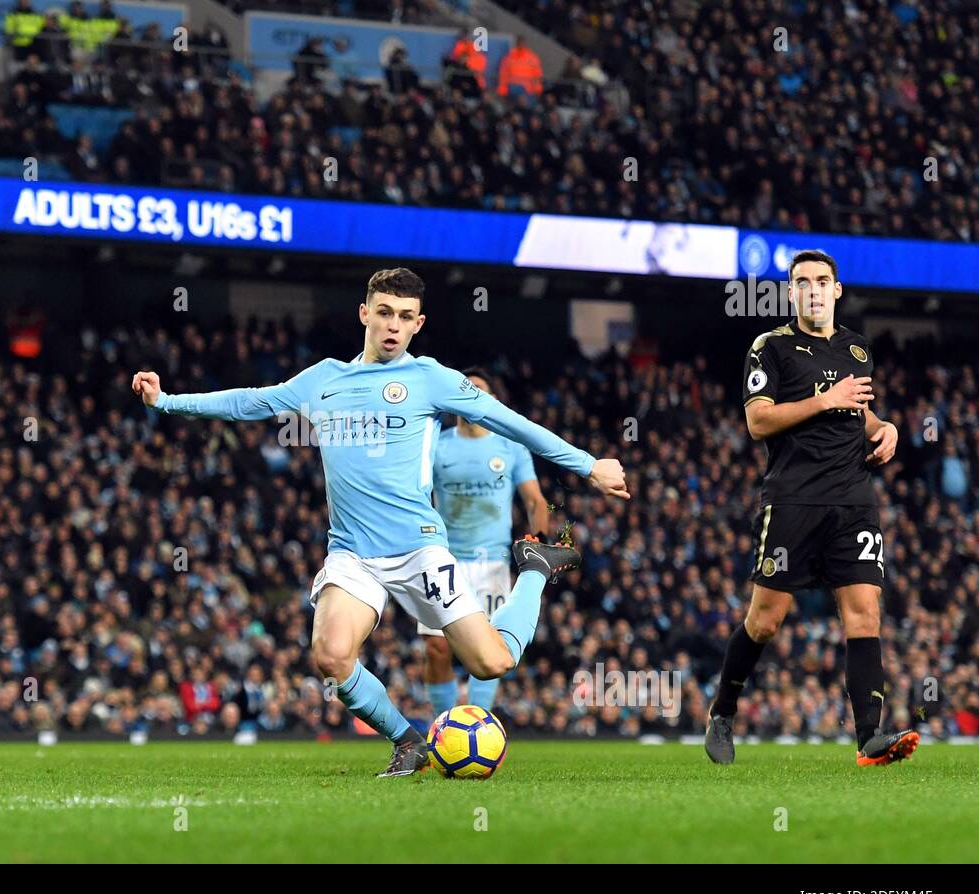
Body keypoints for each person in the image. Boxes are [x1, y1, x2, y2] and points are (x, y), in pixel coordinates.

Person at [133, 267, 628, 776]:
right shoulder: (324, 379)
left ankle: (536, 569)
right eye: (385, 313)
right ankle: (407, 740)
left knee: (492, 663)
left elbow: (511, 422)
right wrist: (166, 401)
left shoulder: (430, 379)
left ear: (419, 324)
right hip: (352, 555)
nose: (394, 325)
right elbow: (251, 401)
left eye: (406, 317)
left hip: (419, 549)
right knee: (330, 655)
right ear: (364, 314)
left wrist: (588, 465)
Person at [706, 250, 916, 767]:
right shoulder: (770, 348)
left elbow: (858, 411)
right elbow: (758, 422)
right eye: (803, 282)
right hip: (793, 499)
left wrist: (883, 428)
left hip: (853, 500)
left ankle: (869, 737)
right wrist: (825, 399)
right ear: (792, 293)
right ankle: (722, 712)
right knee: (765, 621)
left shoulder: (858, 350)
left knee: (865, 614)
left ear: (837, 291)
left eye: (823, 281)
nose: (814, 290)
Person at [419, 368, 553, 718]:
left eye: (477, 388)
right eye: (464, 389)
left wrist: (538, 542)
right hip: (442, 560)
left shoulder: (510, 446)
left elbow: (536, 502)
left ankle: (477, 723)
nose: (469, 393)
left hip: (491, 562)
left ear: (492, 401)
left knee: (489, 647)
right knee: (436, 647)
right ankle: (442, 730)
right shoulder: (437, 444)